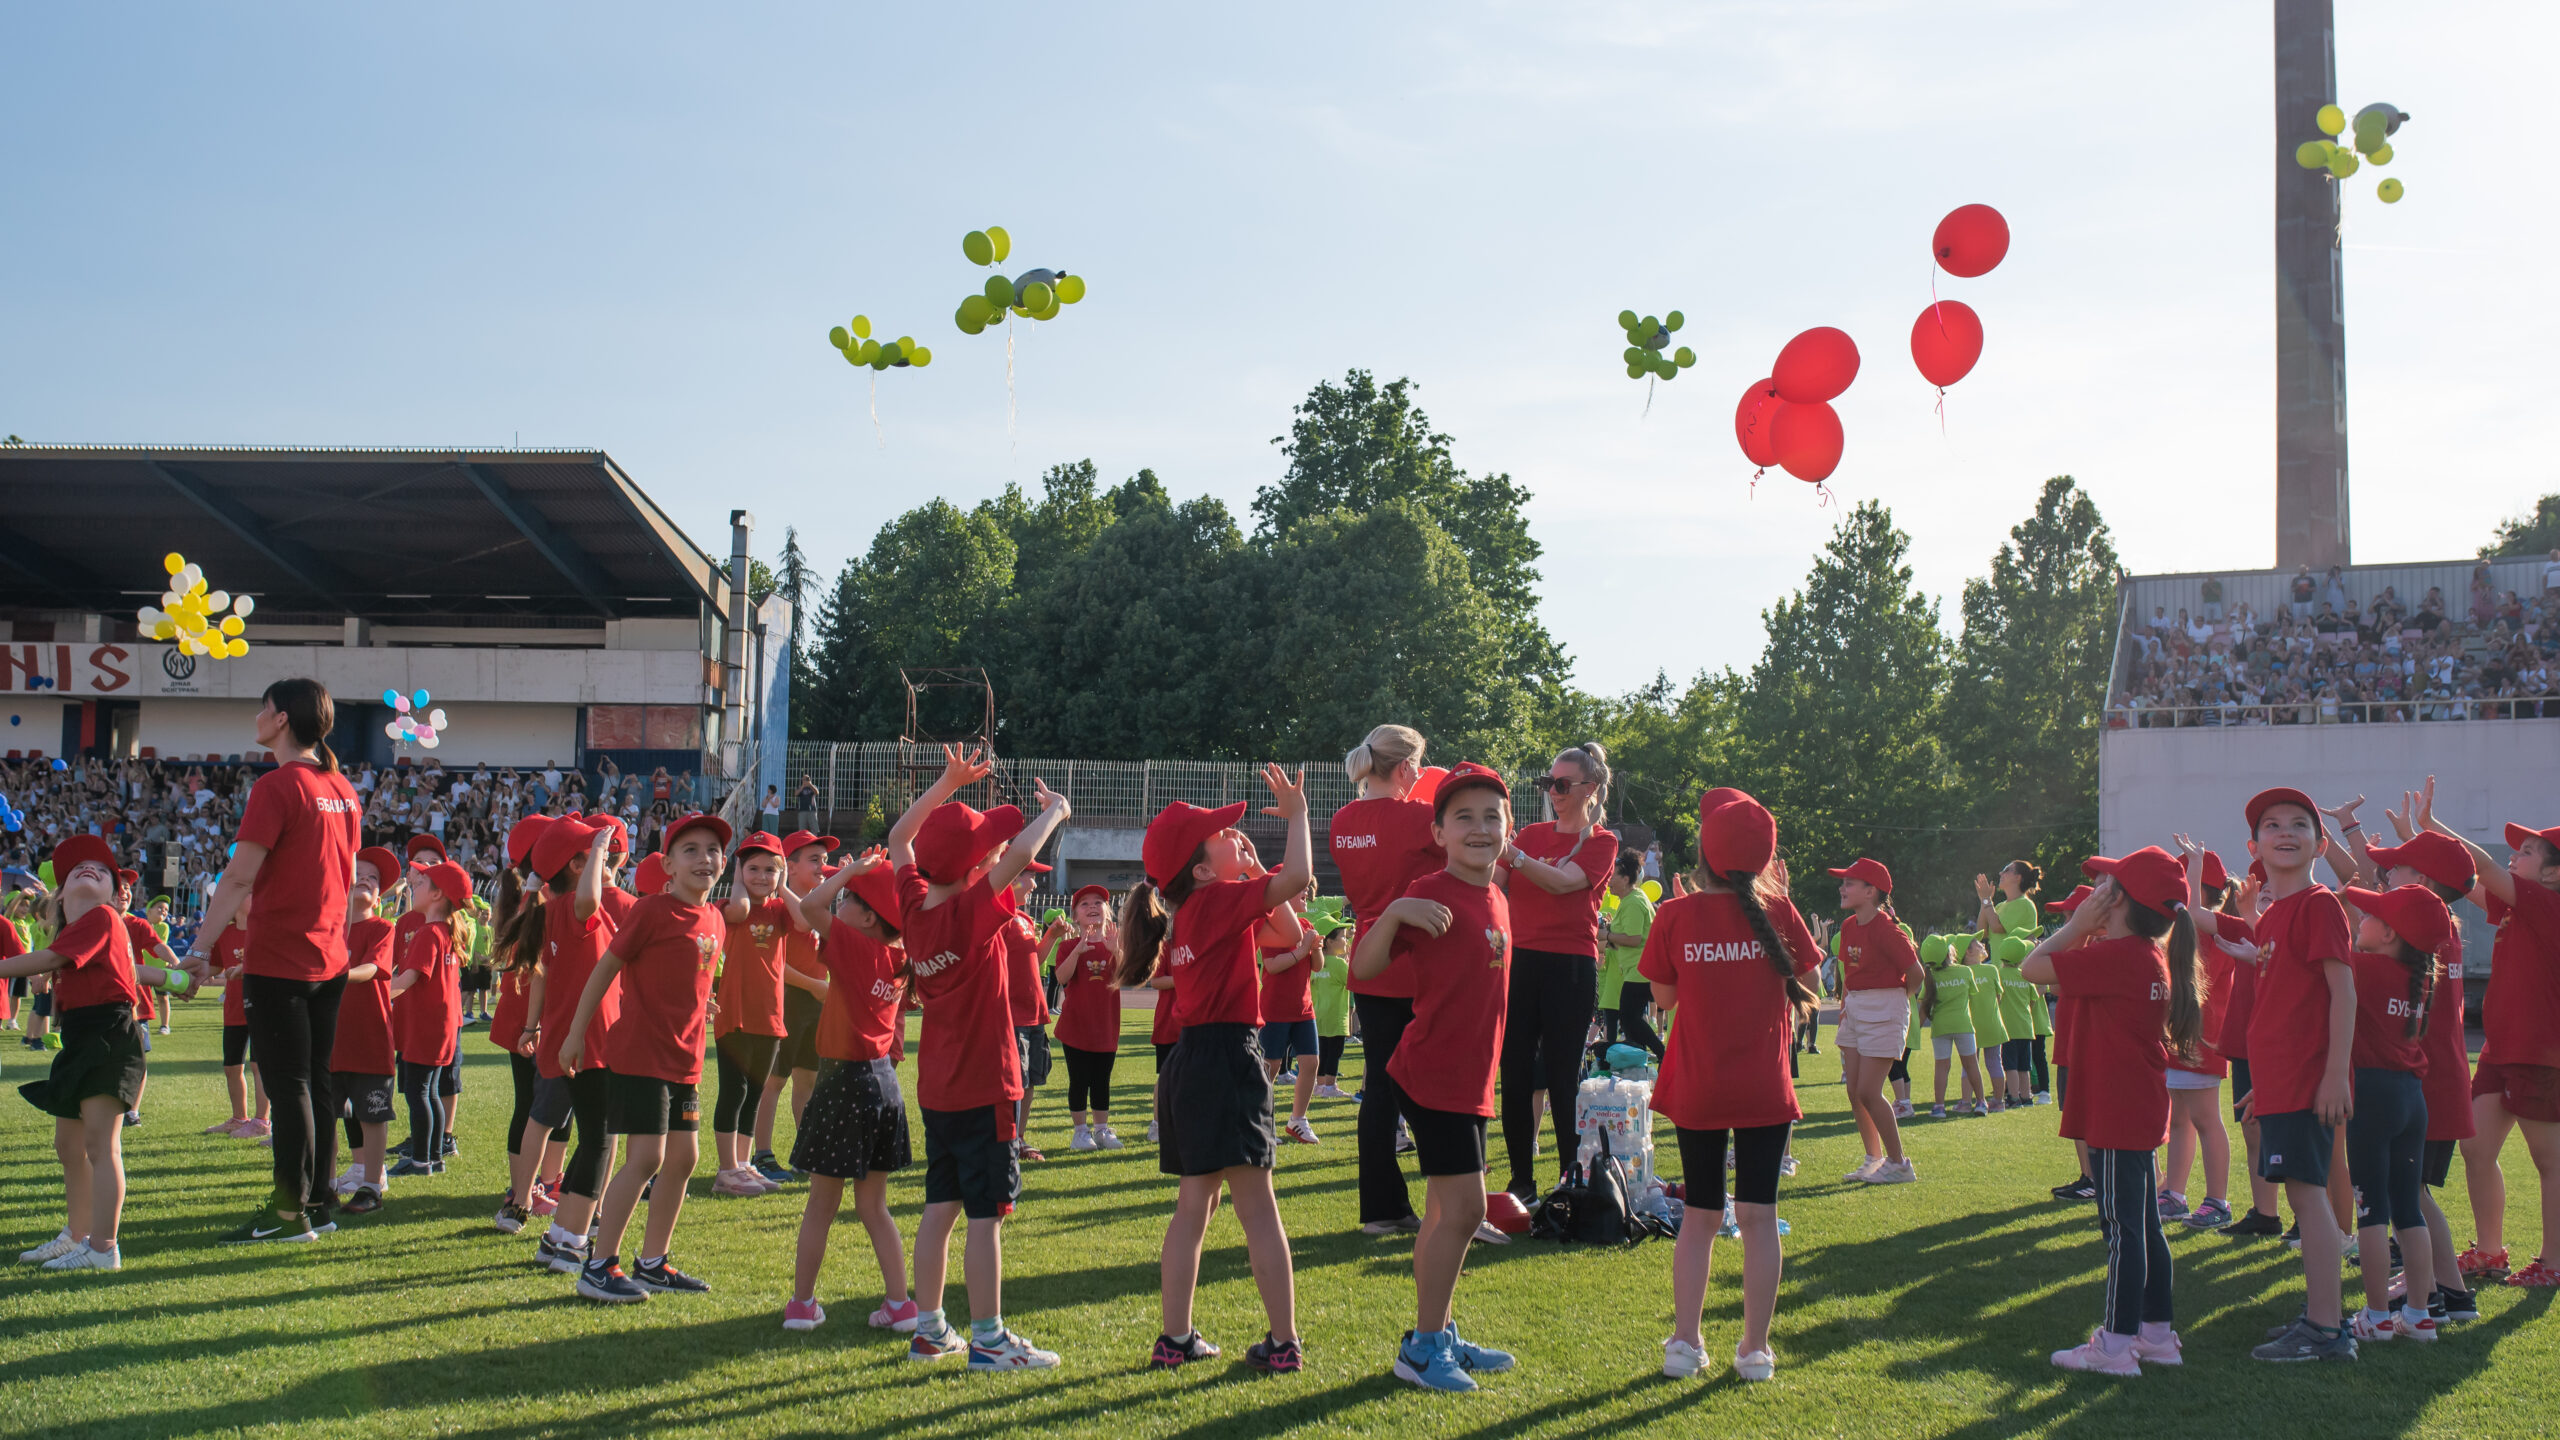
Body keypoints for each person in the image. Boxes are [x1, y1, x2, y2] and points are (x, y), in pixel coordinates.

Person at [1122, 774, 1311, 1376]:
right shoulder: (1218, 903)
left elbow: (1289, 933)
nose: (1234, 832)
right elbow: (1300, 881)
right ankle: (1283, 1342)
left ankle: (1174, 1338)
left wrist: (1254, 872)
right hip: (1228, 1056)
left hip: (1191, 1060)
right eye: (1221, 833)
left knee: (1193, 1208)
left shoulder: (1203, 906)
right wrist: (1297, 815)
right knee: (1258, 1209)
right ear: (1200, 870)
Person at [888, 746, 1071, 1369]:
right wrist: (1056, 812)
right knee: (987, 1215)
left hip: (939, 1088)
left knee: (939, 1208)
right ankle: (989, 1338)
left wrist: (945, 783)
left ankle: (930, 1328)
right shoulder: (971, 912)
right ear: (972, 870)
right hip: (986, 1085)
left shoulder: (915, 909)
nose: (999, 857)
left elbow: (898, 837)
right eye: (986, 854)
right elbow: (1019, 854)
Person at [1642, 789, 1822, 1382]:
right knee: (1759, 1215)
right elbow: (1810, 975)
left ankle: (1685, 1342)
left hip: (1698, 1084)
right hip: (1762, 1087)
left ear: (1703, 855)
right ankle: (1754, 1350)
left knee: (1699, 1215)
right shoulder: (1781, 911)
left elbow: (1662, 999)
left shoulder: (1674, 914)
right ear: (1766, 860)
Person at [1352, 762, 1519, 1392]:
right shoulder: (1430, 891)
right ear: (1439, 831)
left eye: (1491, 817)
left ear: (1507, 828)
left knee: (1440, 1213)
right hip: (1433, 1073)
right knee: (1468, 1209)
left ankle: (1439, 1332)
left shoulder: (1498, 894)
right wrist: (1396, 911)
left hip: (1471, 1078)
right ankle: (1422, 1349)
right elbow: (1363, 970)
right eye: (1464, 818)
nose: (1480, 828)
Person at [186, 679, 363, 1245]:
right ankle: (319, 1201)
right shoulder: (342, 787)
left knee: (289, 1088)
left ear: (282, 719)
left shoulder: (278, 785)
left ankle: (290, 1214)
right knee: (315, 1084)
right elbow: (350, 879)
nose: (257, 717)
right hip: (328, 957)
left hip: (283, 958)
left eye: (263, 709)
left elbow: (239, 876)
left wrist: (196, 950)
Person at [2023, 846, 2203, 1375]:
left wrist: (2079, 923)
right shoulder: (2146, 955)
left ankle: (2117, 1345)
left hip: (2117, 1111)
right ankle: (2156, 1334)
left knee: (2123, 1230)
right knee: (2144, 1227)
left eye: (2108, 887)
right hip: (2134, 1108)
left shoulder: (2118, 956)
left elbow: (2033, 968)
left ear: (2118, 901)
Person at [559, 811, 731, 1302]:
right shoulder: (651, 911)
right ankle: (599, 1265)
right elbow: (605, 969)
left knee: (684, 1157)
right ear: (668, 865)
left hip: (686, 1059)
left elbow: (690, 979)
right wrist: (575, 1034)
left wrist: (706, 1004)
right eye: (691, 850)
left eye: (713, 850)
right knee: (648, 1157)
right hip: (640, 1055)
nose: (705, 859)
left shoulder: (715, 918)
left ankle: (653, 1261)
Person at [5, 835, 196, 1271]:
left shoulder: (103, 919)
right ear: (60, 894)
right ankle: (77, 1235)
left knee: (99, 1144)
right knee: (68, 1145)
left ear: (113, 894)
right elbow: (134, 970)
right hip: (80, 1038)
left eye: (101, 869)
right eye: (77, 869)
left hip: (109, 1035)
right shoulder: (82, 931)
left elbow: (49, 960)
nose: (88, 868)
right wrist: (178, 982)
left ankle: (103, 1247)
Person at [2407, 782, 2560, 1291]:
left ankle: (2553, 1261)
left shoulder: (2546, 903)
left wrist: (2434, 829)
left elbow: (2483, 869)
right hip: (2501, 1050)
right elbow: (2470, 882)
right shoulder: (2520, 906)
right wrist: (2423, 845)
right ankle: (2491, 1253)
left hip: (2541, 1055)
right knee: (2476, 1149)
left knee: (2548, 1161)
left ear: (2554, 873)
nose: (2515, 856)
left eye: (2529, 852)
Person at [2239, 787, 2361, 1362]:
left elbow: (2343, 990)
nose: (2284, 832)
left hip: (2312, 1082)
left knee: (2308, 1198)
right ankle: (2321, 1317)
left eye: (2298, 824)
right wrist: (2266, 1084)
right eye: (2271, 825)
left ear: (2319, 841)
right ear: (2255, 844)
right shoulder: (2273, 916)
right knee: (2299, 1195)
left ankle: (2326, 1330)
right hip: (2284, 1081)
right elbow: (2283, 1007)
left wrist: (2335, 1074)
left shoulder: (2318, 904)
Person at [786, 850, 917, 1333]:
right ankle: (901, 1305)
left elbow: (808, 907)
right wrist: (858, 880)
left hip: (843, 1080)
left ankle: (802, 1305)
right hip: (883, 1082)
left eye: (850, 900)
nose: (839, 902)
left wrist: (849, 872)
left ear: (865, 916)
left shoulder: (859, 947)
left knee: (821, 1203)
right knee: (873, 1206)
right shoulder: (898, 956)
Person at [2360, 821, 2485, 1318]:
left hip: (2423, 1082)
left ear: (2425, 885)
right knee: (2412, 1193)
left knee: (2410, 1194)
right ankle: (2438, 1287)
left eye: (2398, 868)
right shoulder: (2442, 930)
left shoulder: (2423, 938)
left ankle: (2448, 1291)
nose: (2386, 875)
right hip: (2434, 1081)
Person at [1329, 724, 1442, 1236]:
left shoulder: (1341, 821)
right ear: (1402, 769)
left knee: (1380, 1086)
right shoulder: (1417, 818)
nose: (1420, 775)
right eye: (1416, 766)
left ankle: (1381, 1207)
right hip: (1417, 963)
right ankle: (1451, 1192)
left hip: (1368, 960)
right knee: (1430, 1083)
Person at [1497, 742, 1619, 1201]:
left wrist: (1514, 856)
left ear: (1590, 788)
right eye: (1548, 783)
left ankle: (1570, 1178)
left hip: (1570, 964)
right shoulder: (1529, 834)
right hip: (1521, 960)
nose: (1553, 791)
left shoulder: (1602, 842)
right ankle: (1520, 1182)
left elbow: (1565, 883)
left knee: (1564, 1075)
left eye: (1563, 784)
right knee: (1516, 1073)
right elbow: (1496, 885)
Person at [2337, 883, 2450, 1341]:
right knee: (2408, 1209)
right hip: (2411, 1098)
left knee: (2371, 1209)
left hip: (2374, 1094)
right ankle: (2420, 1316)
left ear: (2389, 934)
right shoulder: (2420, 974)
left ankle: (2377, 1316)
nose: (2359, 919)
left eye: (2369, 915)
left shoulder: (2366, 968)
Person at [510, 817, 622, 1274]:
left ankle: (562, 1234)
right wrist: (598, 849)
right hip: (592, 1039)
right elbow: (591, 897)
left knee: (594, 1137)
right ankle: (572, 1240)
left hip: (576, 1038)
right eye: (594, 853)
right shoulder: (576, 908)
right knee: (599, 1139)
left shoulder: (549, 911)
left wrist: (533, 1026)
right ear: (577, 865)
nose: (608, 856)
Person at [709, 831, 807, 1197]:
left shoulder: (780, 909)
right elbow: (741, 910)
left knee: (754, 1093)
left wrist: (782, 887)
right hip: (734, 1013)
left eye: (770, 869)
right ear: (739, 869)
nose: (761, 876)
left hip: (770, 1016)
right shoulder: (729, 906)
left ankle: (743, 1163)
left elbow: (806, 921)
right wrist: (736, 877)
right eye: (753, 868)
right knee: (733, 1091)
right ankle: (726, 1170)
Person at [1828, 856, 1923, 1183]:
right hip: (1855, 1007)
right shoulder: (1848, 926)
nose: (1842, 888)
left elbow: (1916, 974)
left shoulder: (1886, 929)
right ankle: (1874, 1159)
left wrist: (1895, 1003)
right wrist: (1845, 1006)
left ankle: (1899, 1165)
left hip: (1886, 1008)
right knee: (1854, 1091)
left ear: (1871, 892)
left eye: (1849, 883)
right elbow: (1848, 976)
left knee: (1869, 1091)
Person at [328, 849, 401, 1213]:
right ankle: (323, 1186)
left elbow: (374, 967)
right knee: (325, 1115)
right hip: (328, 1040)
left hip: (370, 1039)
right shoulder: (326, 928)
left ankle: (371, 1184)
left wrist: (333, 974)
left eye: (375, 878)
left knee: (372, 1114)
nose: (368, 880)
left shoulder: (382, 928)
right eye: (361, 873)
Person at [384, 862, 467, 1179]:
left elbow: (405, 979)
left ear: (436, 895)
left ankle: (419, 1160)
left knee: (419, 1093)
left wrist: (369, 996)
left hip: (425, 1027)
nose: (413, 886)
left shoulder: (428, 933)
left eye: (421, 883)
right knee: (429, 1092)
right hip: (440, 1026)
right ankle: (433, 1157)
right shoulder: (444, 931)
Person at [1051, 885, 1126, 1151]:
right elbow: (1061, 978)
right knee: (1079, 1079)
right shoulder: (1069, 945)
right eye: (1084, 904)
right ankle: (1080, 1133)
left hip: (1106, 1024)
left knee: (1102, 1079)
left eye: (1098, 902)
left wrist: (1115, 950)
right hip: (1076, 1026)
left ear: (1108, 912)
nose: (1092, 907)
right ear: (1075, 917)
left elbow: (1126, 977)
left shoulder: (1115, 944)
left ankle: (1102, 1130)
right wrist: (1077, 951)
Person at [999, 864, 1058, 1162]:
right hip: (1012, 1014)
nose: (1034, 885)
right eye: (1030, 876)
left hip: (1035, 1013)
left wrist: (1051, 935)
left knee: (1032, 1079)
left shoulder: (1022, 918)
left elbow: (1034, 958)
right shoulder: (999, 918)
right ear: (1011, 877)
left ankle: (1018, 1139)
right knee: (1015, 1083)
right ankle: (1007, 1141)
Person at [1259, 889, 1323, 1145]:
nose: (1306, 892)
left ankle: (1298, 1120)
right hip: (1275, 1009)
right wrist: (1303, 949)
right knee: (1270, 1068)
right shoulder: (1272, 927)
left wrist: (1315, 948)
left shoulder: (1307, 925)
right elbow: (1272, 966)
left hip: (1303, 1009)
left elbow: (1317, 967)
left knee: (1311, 1063)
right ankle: (1261, 1122)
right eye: (1299, 889)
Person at [205, 918, 265, 1138]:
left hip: (261, 1004)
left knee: (260, 1066)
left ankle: (262, 1121)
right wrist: (192, 973)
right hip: (234, 1007)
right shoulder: (225, 931)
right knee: (232, 1066)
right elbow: (215, 965)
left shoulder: (264, 926)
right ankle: (239, 1118)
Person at [1598, 853, 1661, 1059]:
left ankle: (1663, 1055)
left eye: (1613, 876)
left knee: (1629, 1018)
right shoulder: (1631, 900)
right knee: (1630, 1021)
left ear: (1626, 879)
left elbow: (1634, 938)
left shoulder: (1633, 902)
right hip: (1636, 969)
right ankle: (1639, 1059)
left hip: (1639, 970)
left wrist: (1606, 934)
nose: (1609, 881)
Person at [1918, 936, 1975, 1118]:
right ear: (1949, 953)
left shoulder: (1930, 976)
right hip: (1963, 1025)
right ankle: (1981, 1102)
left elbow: (1923, 1007)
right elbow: (1973, 995)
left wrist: (1913, 1032)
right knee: (1972, 1065)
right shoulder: (1965, 971)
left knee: (1941, 1068)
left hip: (1940, 1027)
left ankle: (1939, 1106)